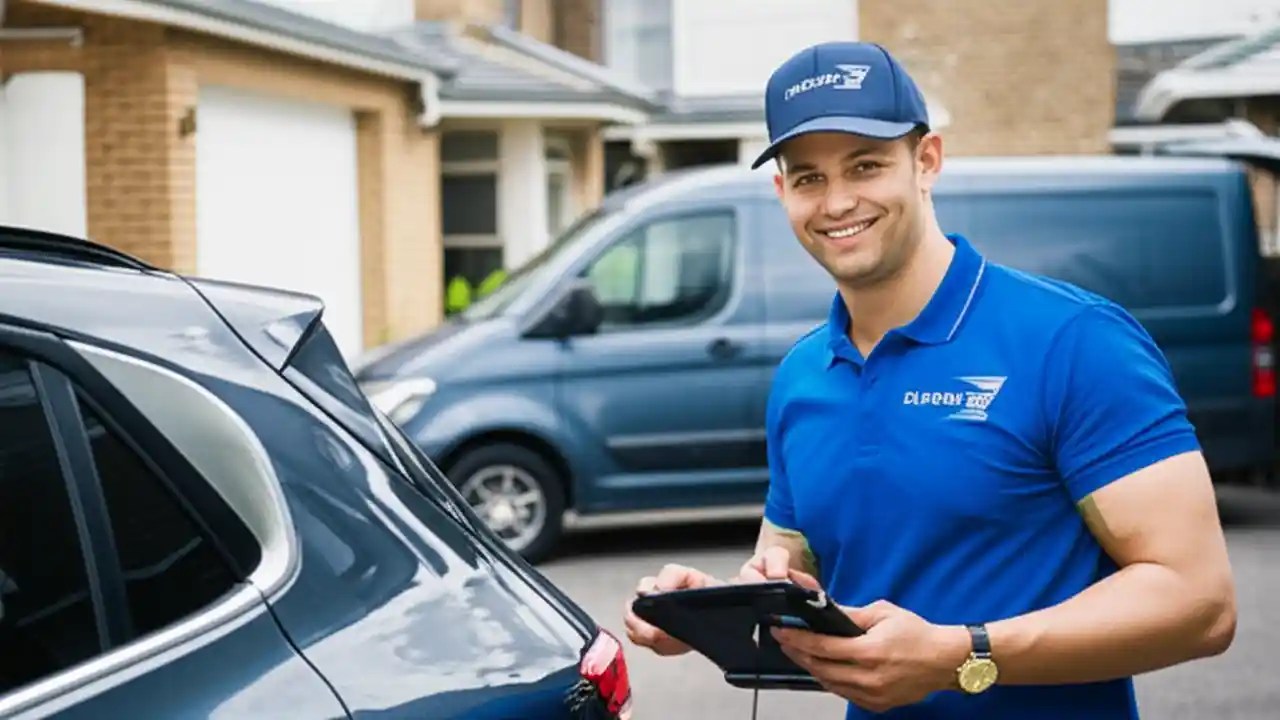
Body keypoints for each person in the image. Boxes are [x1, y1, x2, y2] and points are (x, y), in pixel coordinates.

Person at [622, 40, 1237, 719]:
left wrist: (960, 655)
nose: (837, 201)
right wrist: (713, 609)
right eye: (809, 178)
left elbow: (1200, 604)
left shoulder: (1074, 341)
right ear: (782, 192)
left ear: (927, 161)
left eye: (865, 165)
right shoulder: (803, 376)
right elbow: (793, 578)